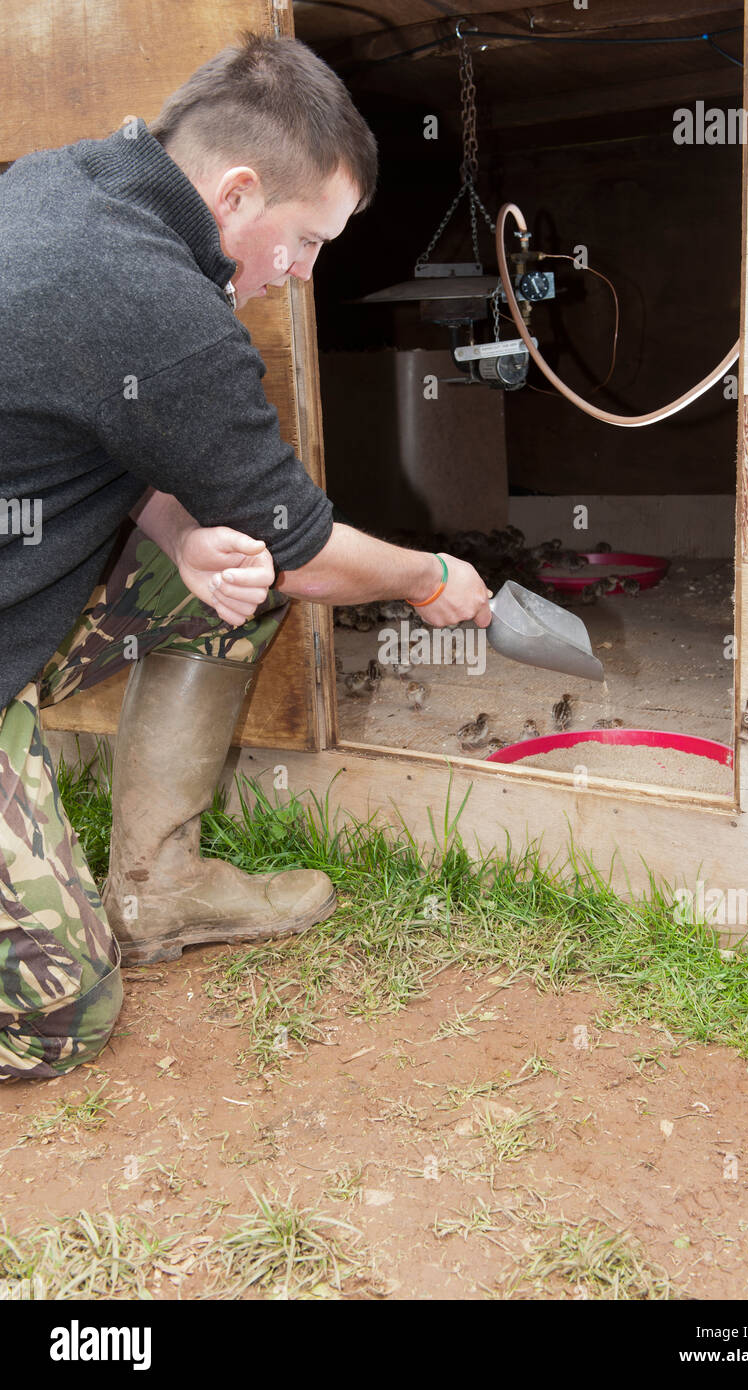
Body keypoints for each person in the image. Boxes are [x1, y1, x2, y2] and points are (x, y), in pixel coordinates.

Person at [0, 32, 491, 1082]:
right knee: (58, 1019)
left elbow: (92, 423)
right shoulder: (158, 307)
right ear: (233, 193)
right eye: (307, 241)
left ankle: (157, 888)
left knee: (230, 567)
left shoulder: (61, 184)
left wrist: (182, 531)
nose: (302, 274)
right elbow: (307, 555)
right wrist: (431, 577)